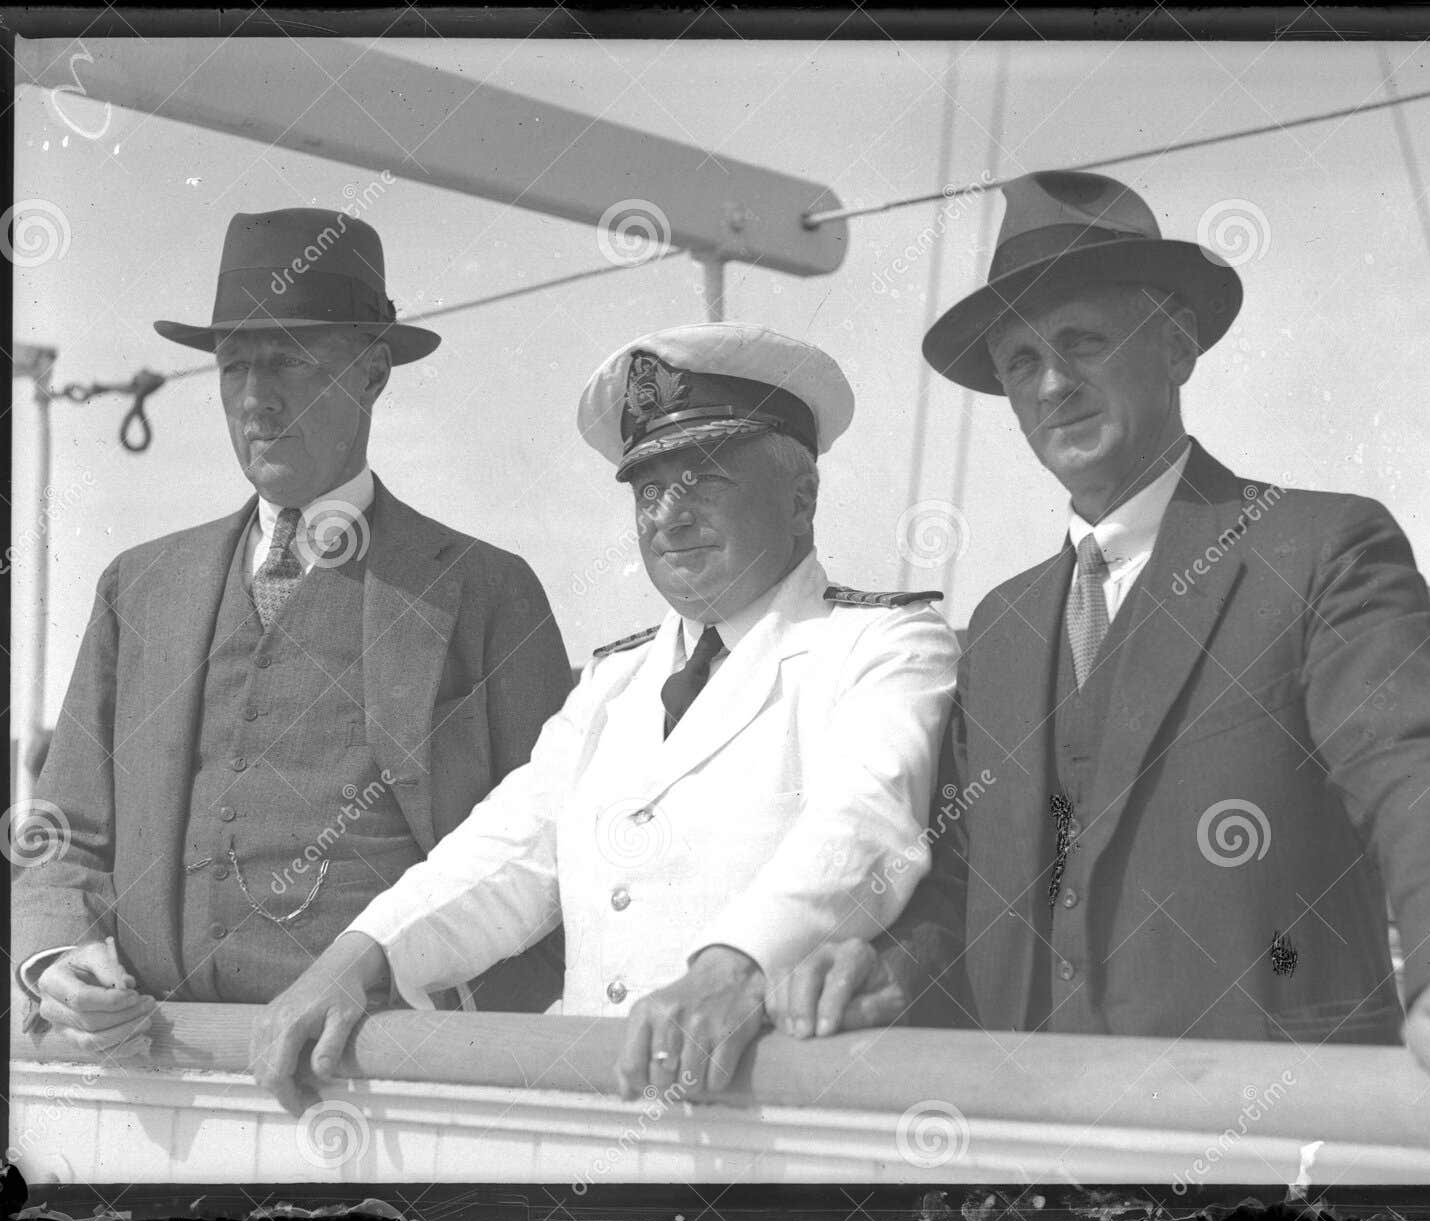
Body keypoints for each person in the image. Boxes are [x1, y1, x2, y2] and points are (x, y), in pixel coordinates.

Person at [904, 169, 1430, 1094]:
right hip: (1032, 1143)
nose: (1051, 386)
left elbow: (1417, 763)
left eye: (1081, 341)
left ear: (1178, 344)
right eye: (1019, 363)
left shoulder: (1316, 547)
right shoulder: (998, 626)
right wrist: (880, 968)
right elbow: (957, 876)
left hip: (1268, 1128)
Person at [250, 323, 963, 1115]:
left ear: (802, 498)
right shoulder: (616, 680)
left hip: (776, 1129)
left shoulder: (879, 644)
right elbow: (513, 847)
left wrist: (735, 966)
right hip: (598, 1118)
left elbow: (866, 823)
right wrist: (362, 953)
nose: (668, 515)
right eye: (649, 488)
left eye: (706, 477)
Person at [11, 208, 573, 1056]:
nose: (253, 397)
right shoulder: (141, 587)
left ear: (374, 372)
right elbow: (66, 831)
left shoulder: (487, 592)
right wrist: (55, 953)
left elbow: (550, 853)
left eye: (287, 362)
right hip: (159, 1062)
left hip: (387, 1080)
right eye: (234, 365)